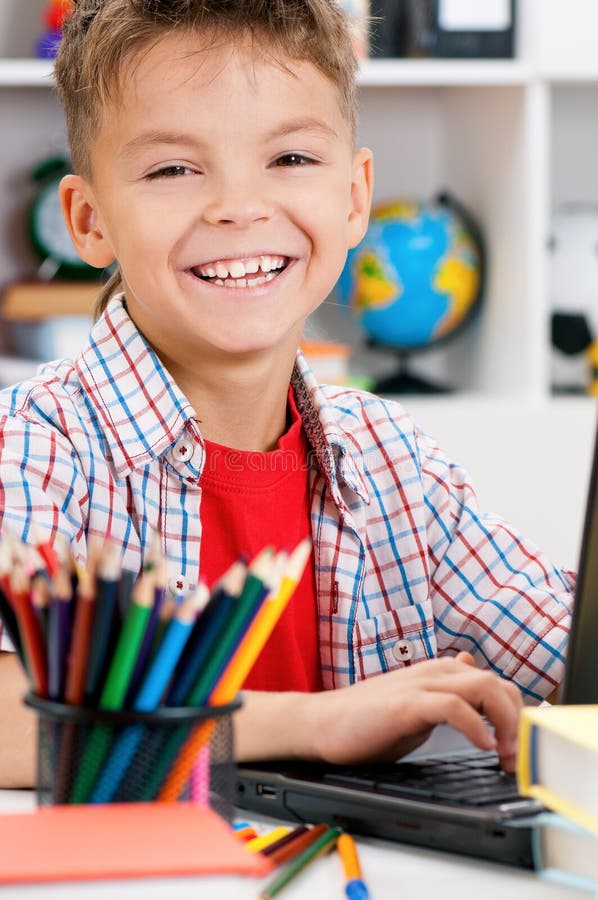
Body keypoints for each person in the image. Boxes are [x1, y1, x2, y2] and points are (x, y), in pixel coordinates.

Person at [0, 0, 573, 788]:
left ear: (354, 196)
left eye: (292, 160)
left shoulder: (392, 461)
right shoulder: (35, 446)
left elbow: (567, 646)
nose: (240, 206)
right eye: (174, 169)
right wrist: (313, 723)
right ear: (89, 221)